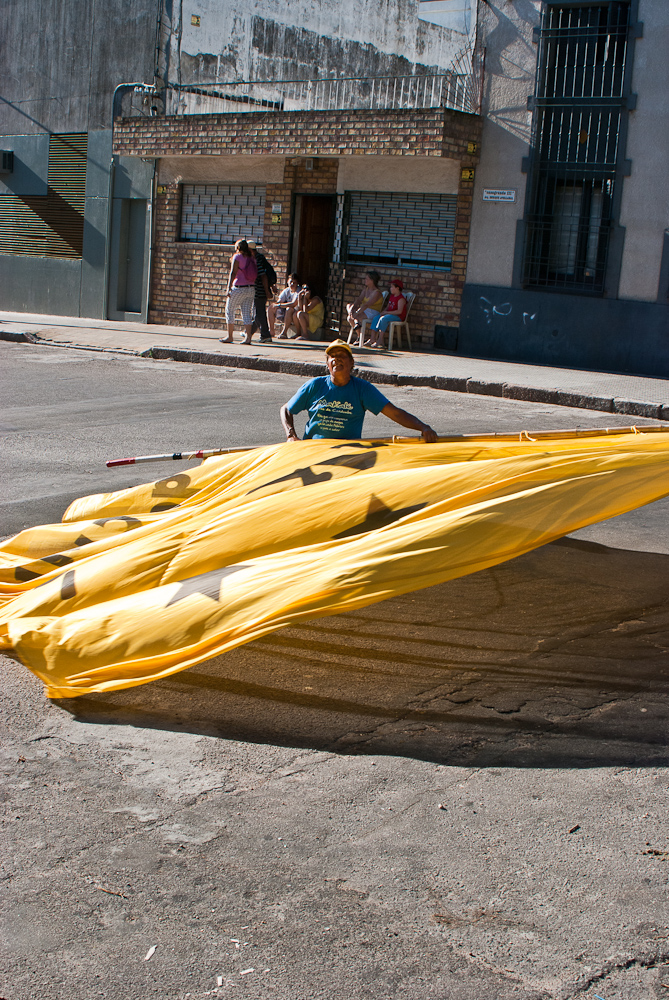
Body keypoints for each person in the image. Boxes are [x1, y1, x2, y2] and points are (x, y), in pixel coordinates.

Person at [280, 339, 438, 441]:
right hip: (313, 452)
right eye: (332, 356)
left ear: (351, 363)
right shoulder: (314, 385)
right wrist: (291, 435)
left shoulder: (363, 389)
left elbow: (395, 413)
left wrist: (423, 427)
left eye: (341, 355)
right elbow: (286, 409)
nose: (336, 359)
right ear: (327, 364)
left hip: (349, 454)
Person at [221, 239, 257, 345]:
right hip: (251, 288)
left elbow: (233, 272)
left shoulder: (237, 257)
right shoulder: (252, 258)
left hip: (239, 288)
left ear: (238, 248)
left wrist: (228, 287)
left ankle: (230, 336)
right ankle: (248, 338)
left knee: (229, 310)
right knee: (246, 312)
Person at [248, 240, 276, 344]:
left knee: (258, 314)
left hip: (260, 290)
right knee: (256, 313)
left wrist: (267, 290)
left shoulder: (256, 259)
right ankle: (248, 333)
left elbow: (263, 276)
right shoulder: (259, 257)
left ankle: (265, 335)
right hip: (259, 290)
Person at [367, 278, 407, 349]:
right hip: (389, 314)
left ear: (397, 288)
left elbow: (399, 311)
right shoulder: (392, 296)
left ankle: (380, 340)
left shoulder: (401, 298)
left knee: (384, 319)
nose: (390, 288)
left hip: (398, 316)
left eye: (392, 287)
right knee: (376, 317)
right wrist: (383, 312)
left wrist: (387, 313)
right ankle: (372, 339)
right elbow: (388, 307)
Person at [346, 270, 383, 337]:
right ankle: (359, 334)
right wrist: (352, 309)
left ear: (372, 280)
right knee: (349, 306)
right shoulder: (366, 289)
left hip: (372, 311)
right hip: (364, 309)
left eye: (367, 279)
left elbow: (367, 304)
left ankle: (358, 330)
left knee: (350, 318)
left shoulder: (377, 292)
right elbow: (359, 300)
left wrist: (357, 312)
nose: (365, 280)